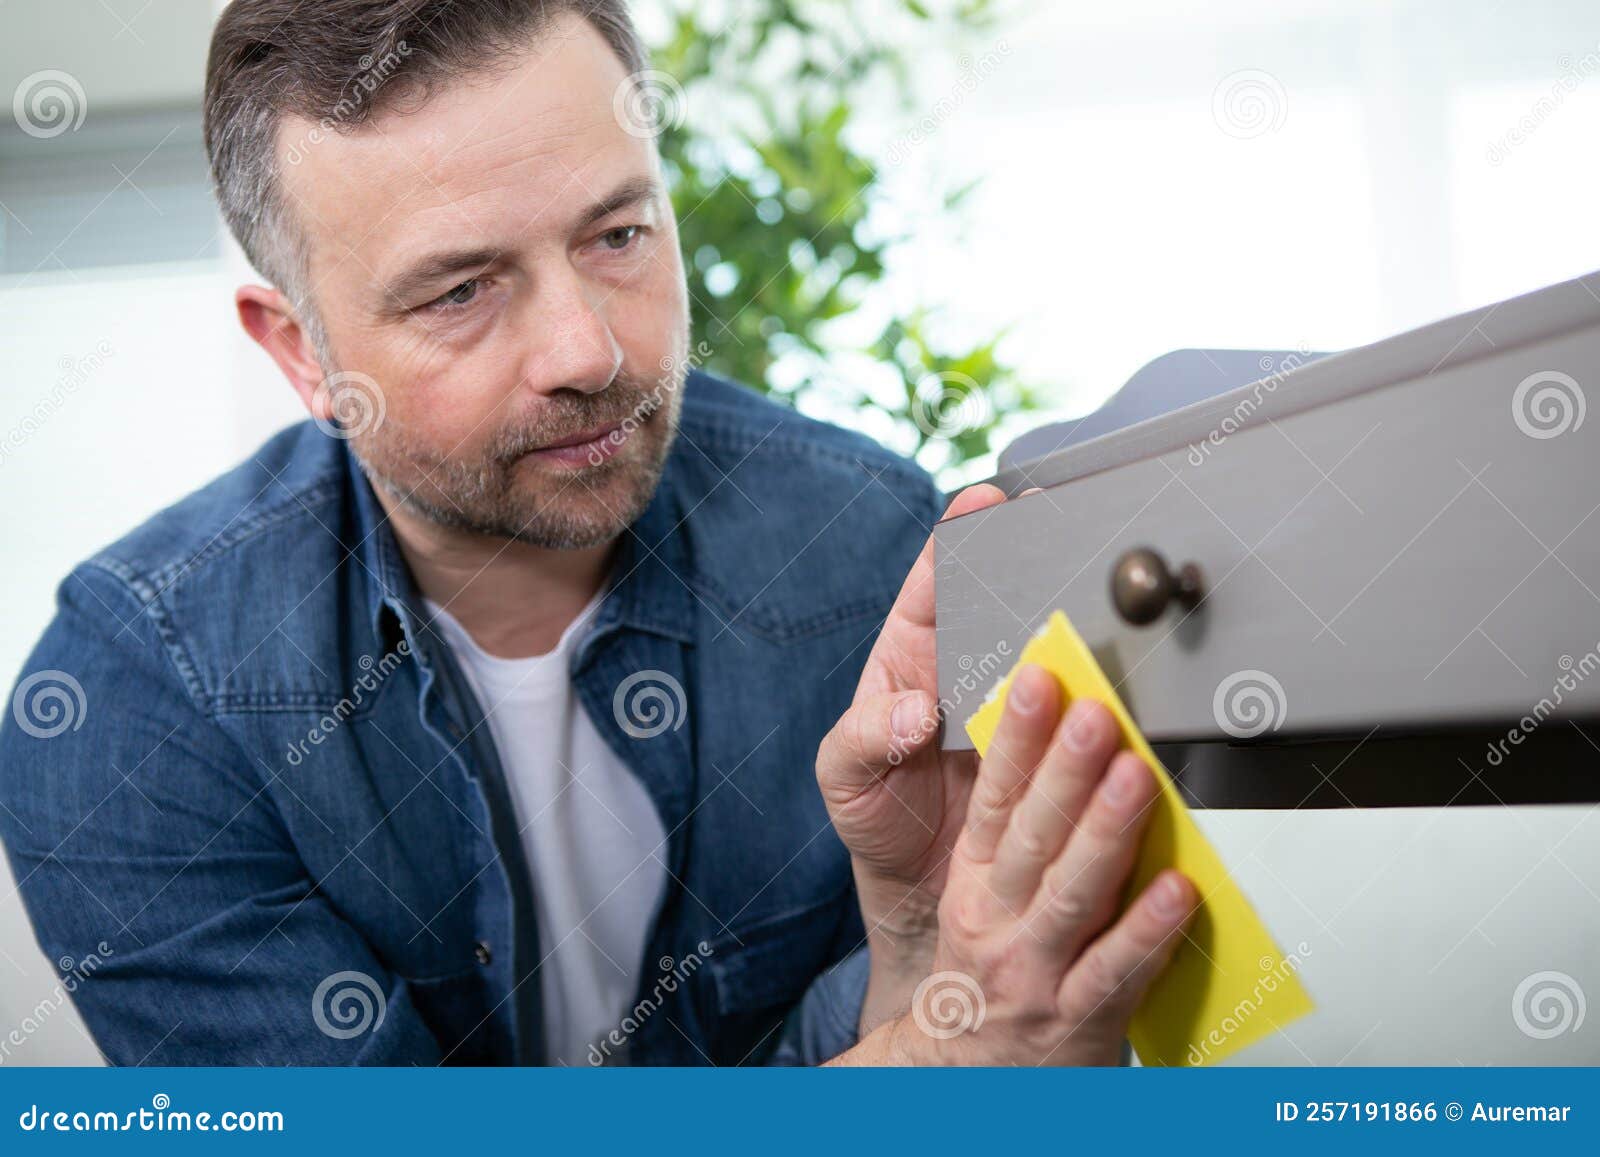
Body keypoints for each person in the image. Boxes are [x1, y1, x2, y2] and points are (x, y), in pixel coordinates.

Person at [0, 0, 1193, 1066]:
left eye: (616, 235)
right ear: (301, 351)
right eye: (460, 290)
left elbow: (925, 1022)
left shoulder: (865, 539)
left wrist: (923, 958)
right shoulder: (135, 702)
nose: (590, 353)